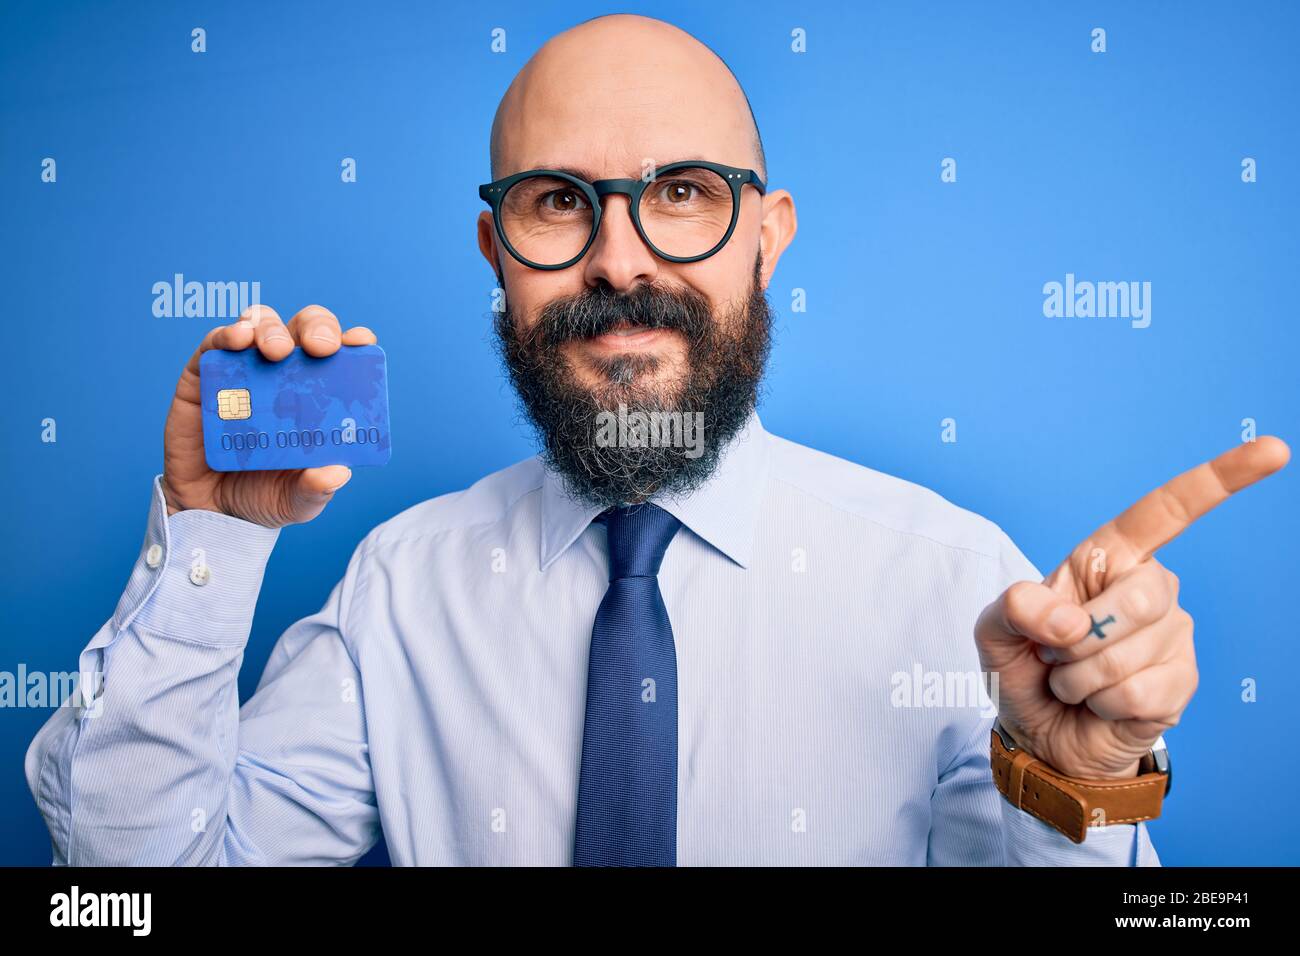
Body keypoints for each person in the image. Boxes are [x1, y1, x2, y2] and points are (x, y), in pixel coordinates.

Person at [26, 14, 1288, 866]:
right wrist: (209, 540)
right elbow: (130, 888)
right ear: (496, 252)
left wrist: (1076, 783)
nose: (619, 256)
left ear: (766, 232)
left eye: (682, 193)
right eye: (557, 202)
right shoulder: (400, 591)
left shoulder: (955, 586)